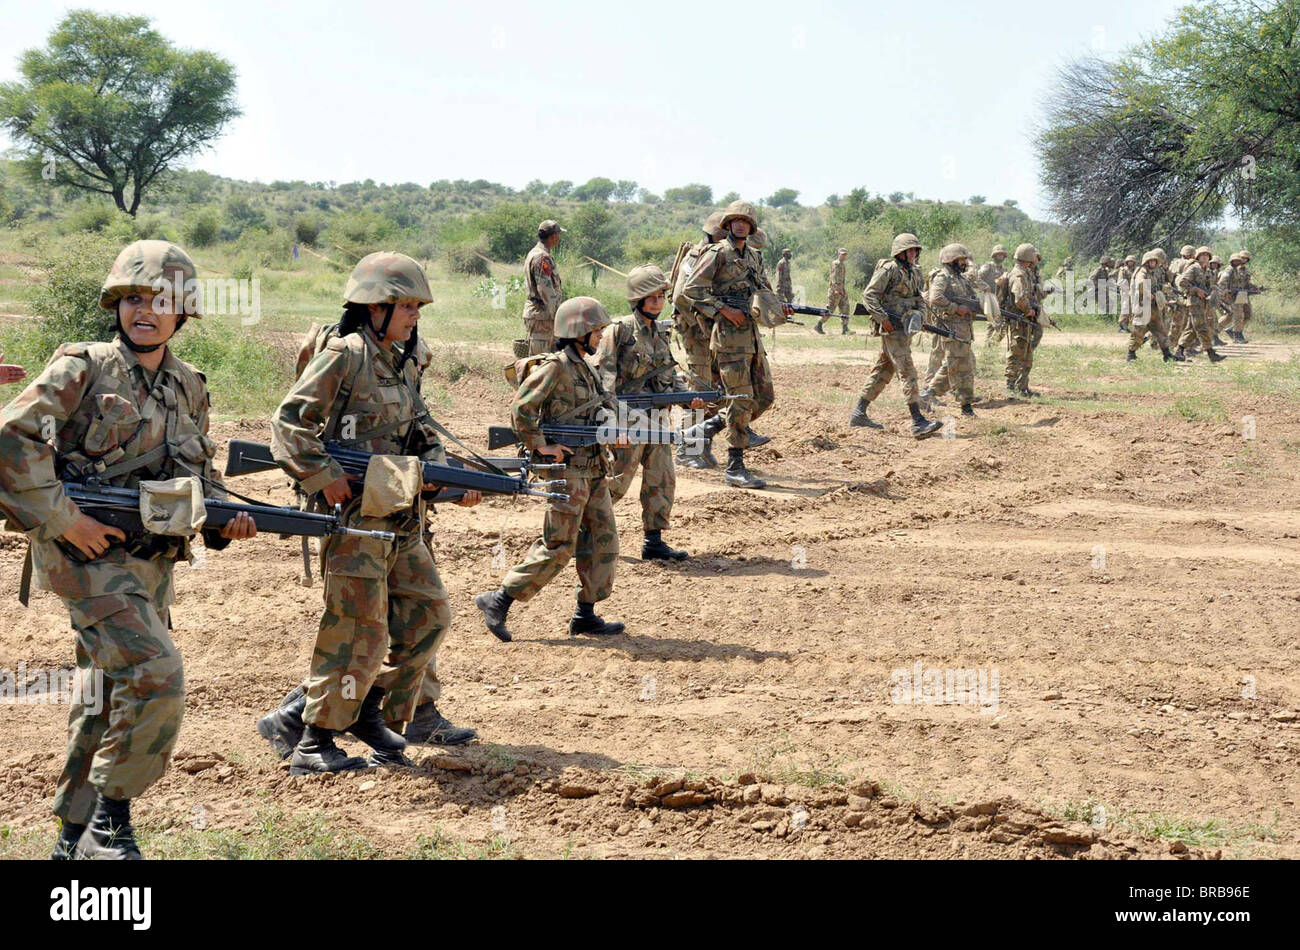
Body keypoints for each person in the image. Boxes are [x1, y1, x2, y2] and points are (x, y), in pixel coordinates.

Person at [0, 240, 257, 859]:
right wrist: (66, 521)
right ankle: (112, 821)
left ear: (183, 313)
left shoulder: (188, 385)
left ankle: (74, 838)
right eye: (133, 298)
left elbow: (197, 471)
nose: (146, 310)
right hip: (84, 555)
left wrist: (225, 520)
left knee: (108, 691)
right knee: (156, 674)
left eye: (161, 301)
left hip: (151, 559)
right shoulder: (82, 367)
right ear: (116, 305)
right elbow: (12, 440)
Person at [267, 252, 479, 776]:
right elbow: (290, 424)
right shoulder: (346, 354)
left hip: (400, 517)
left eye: (416, 306)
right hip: (356, 519)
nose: (415, 316)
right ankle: (314, 740)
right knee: (357, 630)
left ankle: (355, 708)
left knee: (428, 617)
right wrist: (322, 475)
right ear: (374, 307)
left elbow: (418, 431)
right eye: (405, 306)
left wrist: (447, 475)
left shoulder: (401, 359)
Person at [474, 297, 624, 640]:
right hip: (567, 471)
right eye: (596, 331)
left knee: (603, 543)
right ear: (578, 332)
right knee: (559, 546)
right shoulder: (556, 366)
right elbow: (522, 407)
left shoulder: (585, 366)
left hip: (593, 468)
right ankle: (498, 600)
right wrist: (540, 444)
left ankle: (585, 615)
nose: (600, 337)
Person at [596, 265, 704, 561]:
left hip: (657, 417)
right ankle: (584, 529)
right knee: (618, 480)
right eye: (651, 297)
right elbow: (604, 378)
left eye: (661, 297)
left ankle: (653, 542)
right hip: (627, 418)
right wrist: (610, 419)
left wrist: (687, 399)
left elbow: (668, 373)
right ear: (637, 299)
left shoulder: (661, 331)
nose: (658, 302)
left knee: (661, 478)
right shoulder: (620, 330)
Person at [679, 200, 778, 489]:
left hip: (751, 336)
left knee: (765, 395)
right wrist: (722, 309)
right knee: (740, 398)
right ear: (727, 224)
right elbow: (691, 290)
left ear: (752, 227)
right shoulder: (717, 253)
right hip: (727, 337)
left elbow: (762, 290)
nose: (740, 224)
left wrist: (777, 307)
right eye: (735, 220)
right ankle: (735, 466)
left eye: (745, 221)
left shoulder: (754, 257)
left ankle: (706, 428)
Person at [848, 233, 942, 437]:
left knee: (884, 368)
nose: (913, 254)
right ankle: (918, 421)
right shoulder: (889, 269)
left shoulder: (916, 271)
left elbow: (920, 299)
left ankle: (859, 413)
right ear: (899, 252)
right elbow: (869, 295)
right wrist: (883, 319)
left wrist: (920, 318)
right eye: (909, 250)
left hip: (905, 328)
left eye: (915, 250)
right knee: (907, 370)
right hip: (892, 329)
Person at [670, 212, 726, 470]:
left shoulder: (719, 257)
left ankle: (701, 444)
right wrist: (704, 320)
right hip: (696, 333)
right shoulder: (696, 257)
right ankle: (687, 449)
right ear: (715, 233)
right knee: (699, 390)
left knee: (717, 390)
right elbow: (681, 297)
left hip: (713, 335)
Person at [920, 244, 979, 418]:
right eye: (962, 259)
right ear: (951, 259)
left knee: (954, 366)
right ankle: (966, 406)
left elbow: (972, 299)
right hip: (952, 329)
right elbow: (935, 297)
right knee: (961, 368)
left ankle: (926, 395)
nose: (965, 262)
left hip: (964, 330)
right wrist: (955, 308)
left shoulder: (961, 279)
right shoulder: (943, 276)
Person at [1002, 243, 1046, 397]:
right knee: (1016, 353)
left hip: (1025, 321)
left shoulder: (1025, 272)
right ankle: (1010, 386)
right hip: (1019, 320)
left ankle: (1022, 387)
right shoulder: (1018, 275)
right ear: (1028, 257)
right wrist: (1029, 310)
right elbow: (1019, 298)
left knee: (1027, 354)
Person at [1125, 250, 1183, 363]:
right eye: (1150, 261)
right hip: (1143, 307)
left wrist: (1162, 287)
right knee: (1138, 332)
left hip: (1154, 308)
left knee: (1161, 331)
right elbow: (1140, 284)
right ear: (1146, 262)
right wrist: (1149, 293)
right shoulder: (1142, 272)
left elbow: (1157, 285)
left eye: (1154, 261)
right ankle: (1130, 354)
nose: (1153, 263)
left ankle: (1167, 355)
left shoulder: (1154, 273)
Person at [1174, 246, 1227, 363]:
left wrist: (1214, 290)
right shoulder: (1193, 268)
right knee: (1202, 328)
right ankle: (1211, 353)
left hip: (1203, 303)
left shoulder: (1207, 271)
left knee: (1191, 329)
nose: (1205, 257)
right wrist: (1196, 290)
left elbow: (1210, 285)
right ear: (1198, 256)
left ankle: (1179, 351)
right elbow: (1182, 283)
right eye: (1202, 255)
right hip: (1193, 302)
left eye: (1207, 255)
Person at [522, 220, 565, 355]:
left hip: (542, 316)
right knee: (540, 362)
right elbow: (545, 291)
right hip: (543, 317)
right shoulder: (541, 257)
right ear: (553, 236)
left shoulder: (537, 253)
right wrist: (558, 316)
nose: (559, 238)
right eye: (558, 234)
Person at [979, 245, 1009, 344]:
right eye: (998, 254)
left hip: (1000, 300)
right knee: (994, 324)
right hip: (988, 298)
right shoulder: (988, 266)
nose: (1000, 256)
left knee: (1003, 326)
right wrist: (985, 288)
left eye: (1002, 254)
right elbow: (976, 278)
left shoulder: (1004, 270)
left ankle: (991, 346)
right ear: (994, 255)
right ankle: (988, 347)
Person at [817, 248, 851, 334]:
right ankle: (819, 324)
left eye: (845, 255)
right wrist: (836, 289)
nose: (844, 256)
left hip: (841, 290)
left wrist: (842, 290)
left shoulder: (843, 265)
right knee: (830, 310)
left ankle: (845, 327)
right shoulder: (836, 264)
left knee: (845, 307)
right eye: (842, 254)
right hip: (835, 290)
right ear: (839, 254)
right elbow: (834, 276)